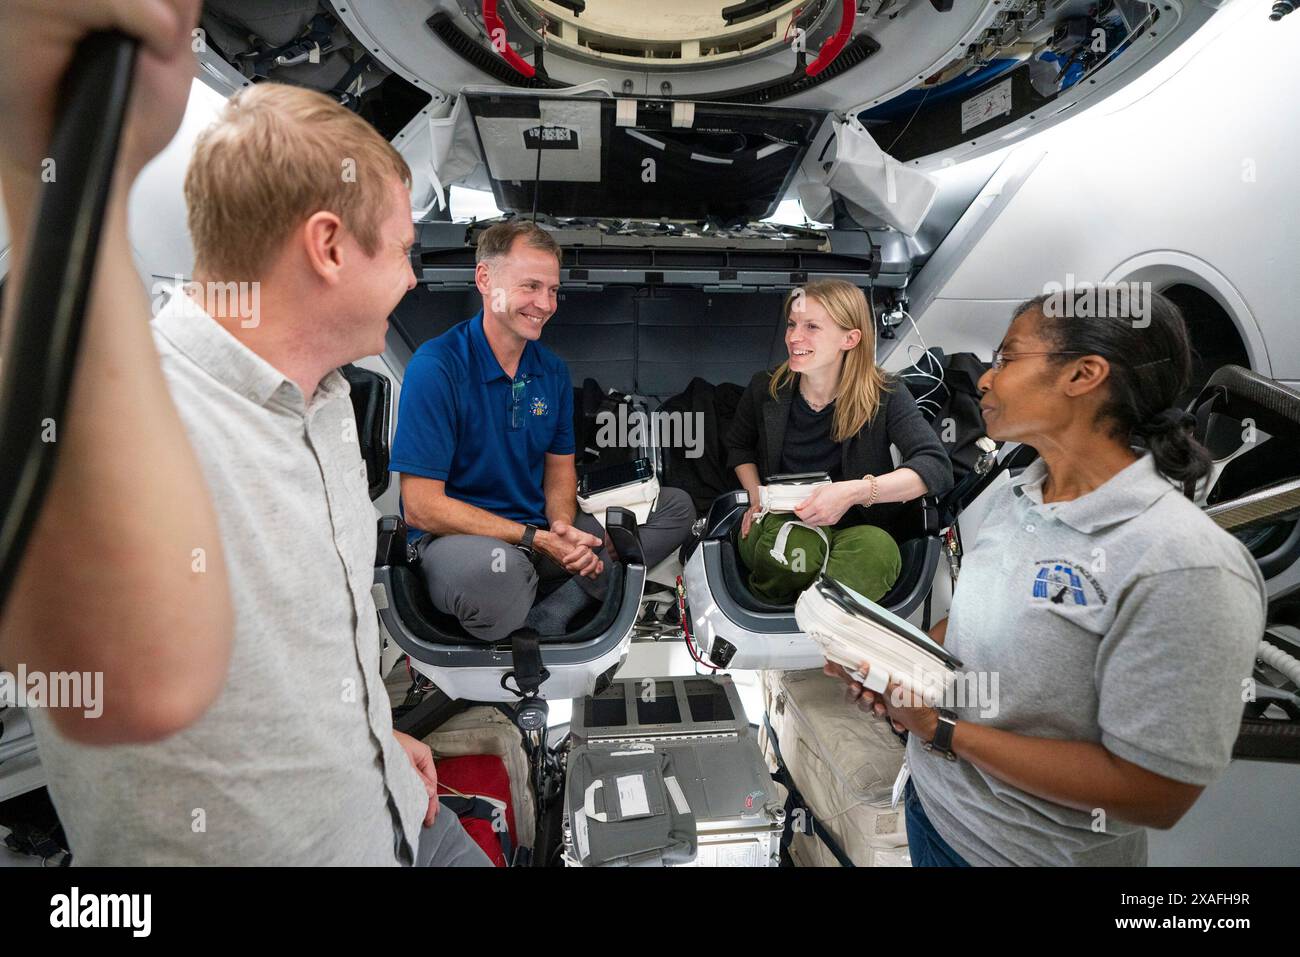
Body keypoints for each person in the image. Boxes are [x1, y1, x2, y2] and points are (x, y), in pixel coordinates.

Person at [10, 58, 489, 864]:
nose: (413, 278)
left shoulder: (334, 402)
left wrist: (374, 738)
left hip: (396, 810)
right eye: (405, 251)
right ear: (329, 247)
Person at [831, 288, 1267, 866]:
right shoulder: (1019, 497)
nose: (984, 380)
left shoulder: (1185, 563)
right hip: (934, 810)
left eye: (1007, 360)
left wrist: (939, 729)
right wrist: (897, 665)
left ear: (1084, 375)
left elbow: (1153, 793)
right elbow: (974, 634)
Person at [391, 219, 695, 639]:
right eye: (530, 286)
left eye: (552, 290)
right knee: (499, 578)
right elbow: (422, 507)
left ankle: (557, 606)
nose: (546, 303)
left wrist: (562, 525)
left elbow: (559, 470)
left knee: (675, 507)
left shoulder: (550, 371)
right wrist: (537, 539)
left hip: (539, 531)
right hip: (460, 542)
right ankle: (574, 586)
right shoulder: (437, 367)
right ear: (485, 279)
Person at [724, 279, 953, 604]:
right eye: (791, 325)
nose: (793, 337)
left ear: (850, 338)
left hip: (854, 530)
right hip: (778, 521)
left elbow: (934, 468)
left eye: (811, 327)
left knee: (879, 552)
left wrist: (854, 492)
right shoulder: (766, 388)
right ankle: (775, 611)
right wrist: (755, 497)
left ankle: (823, 623)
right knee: (799, 546)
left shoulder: (886, 394)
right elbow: (739, 447)